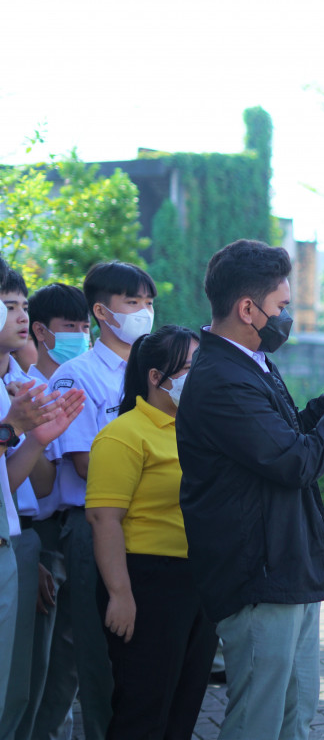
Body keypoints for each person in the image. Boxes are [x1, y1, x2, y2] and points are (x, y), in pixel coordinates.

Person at [178, 239, 324, 740]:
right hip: (257, 573)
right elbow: (295, 461)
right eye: (282, 306)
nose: (285, 317)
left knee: (296, 709)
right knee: (259, 719)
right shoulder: (222, 377)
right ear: (247, 309)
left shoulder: (248, 363)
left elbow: (288, 433)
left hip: (285, 567)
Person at [38, 261, 154, 740]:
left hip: (148, 524)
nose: (144, 313)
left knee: (143, 657)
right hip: (91, 527)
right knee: (96, 661)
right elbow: (85, 462)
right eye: (133, 303)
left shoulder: (153, 371)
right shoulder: (76, 375)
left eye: (149, 303)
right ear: (103, 311)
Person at [87, 326, 219, 739]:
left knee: (184, 705)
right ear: (155, 377)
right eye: (189, 369)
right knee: (143, 710)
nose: (199, 377)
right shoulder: (123, 434)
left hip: (197, 580)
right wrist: (120, 595)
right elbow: (103, 520)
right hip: (146, 581)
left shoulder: (199, 429)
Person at [0, 258, 85, 740]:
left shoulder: (24, 383)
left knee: (25, 691)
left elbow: (28, 485)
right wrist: (15, 427)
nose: (17, 317)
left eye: (21, 306)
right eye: (8, 306)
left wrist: (35, 439)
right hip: (19, 542)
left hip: (20, 542)